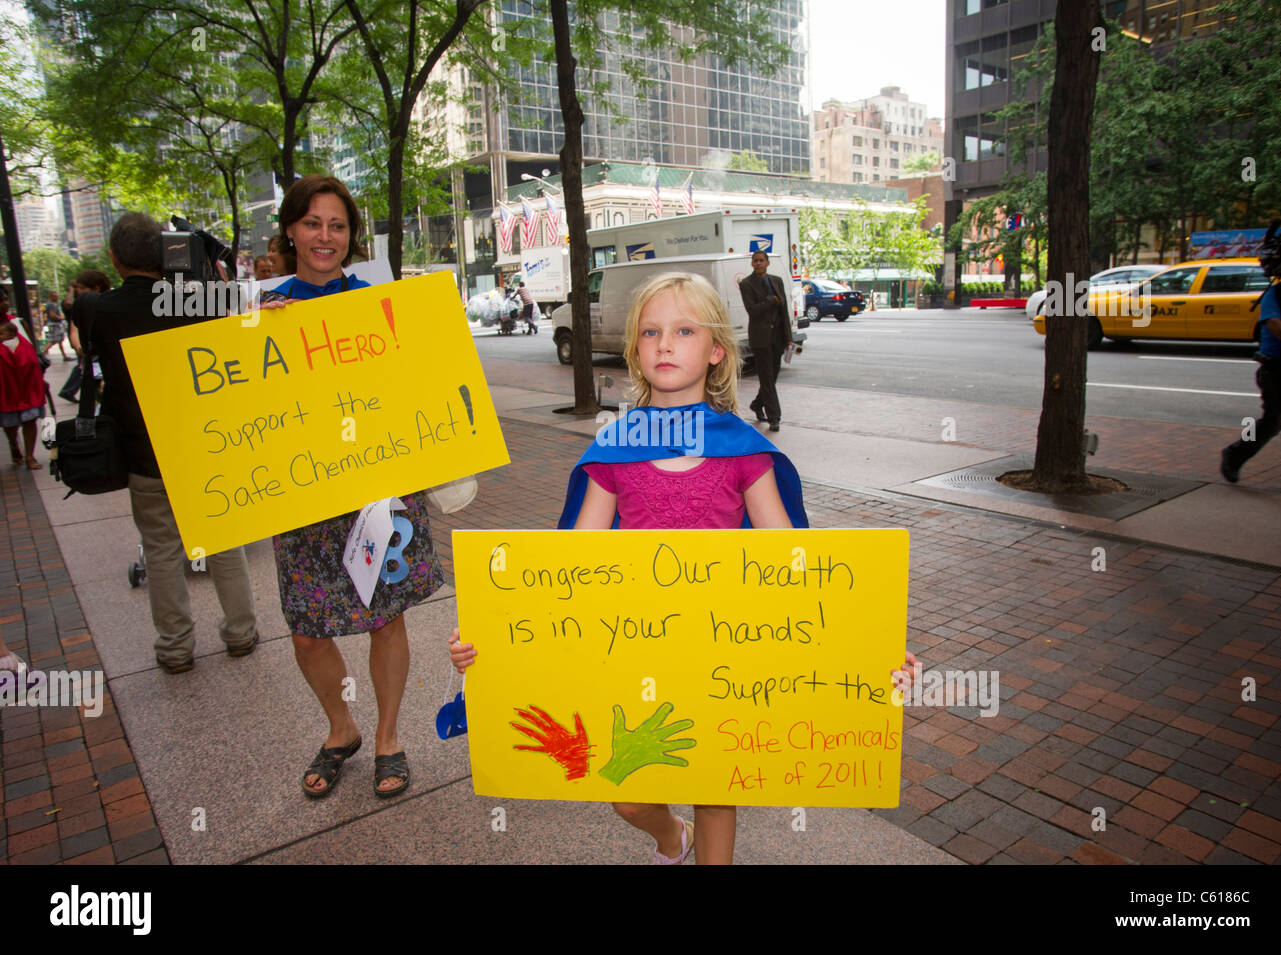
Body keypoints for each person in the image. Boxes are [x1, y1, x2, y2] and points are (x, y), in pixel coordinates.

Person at [449, 272, 918, 864]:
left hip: (725, 657)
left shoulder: (744, 449)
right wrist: (489, 638)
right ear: (636, 351)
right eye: (651, 332)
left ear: (716, 350)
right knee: (628, 799)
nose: (665, 344)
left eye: (684, 330)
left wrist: (865, 648)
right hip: (634, 652)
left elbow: (797, 569)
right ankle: (671, 838)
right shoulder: (615, 447)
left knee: (716, 789)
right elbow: (563, 571)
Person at [260, 174, 445, 800]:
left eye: (337, 226)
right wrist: (256, 337)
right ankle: (342, 731)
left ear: (351, 238)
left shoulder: (376, 307)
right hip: (304, 495)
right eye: (312, 223)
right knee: (308, 628)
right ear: (290, 229)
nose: (325, 236)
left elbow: (418, 387)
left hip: (375, 489)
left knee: (383, 618)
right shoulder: (255, 316)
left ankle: (389, 736)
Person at [77, 213, 259, 674]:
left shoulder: (98, 310)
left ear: (115, 259)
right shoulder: (196, 299)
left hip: (143, 455)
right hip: (204, 447)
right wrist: (207, 270)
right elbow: (239, 304)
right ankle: (241, 633)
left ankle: (175, 648)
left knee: (160, 551)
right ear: (166, 254)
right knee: (224, 543)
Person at [1221, 280, 1281, 490]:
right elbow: (1272, 322)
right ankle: (1235, 453)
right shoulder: (1279, 292)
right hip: (1280, 369)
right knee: (1274, 421)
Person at [739, 251, 793, 432]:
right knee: (767, 378)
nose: (758, 263)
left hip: (777, 337)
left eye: (762, 260)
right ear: (752, 264)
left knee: (773, 376)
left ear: (768, 263)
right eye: (755, 261)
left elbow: (783, 311)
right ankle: (774, 417)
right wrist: (770, 301)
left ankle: (757, 404)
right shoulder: (746, 284)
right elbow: (752, 310)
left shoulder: (776, 281)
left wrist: (789, 338)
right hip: (760, 338)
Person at [0, 293, 46, 469]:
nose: (4, 303)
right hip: (5, 386)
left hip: (27, 382)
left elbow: (32, 349)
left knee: (30, 420)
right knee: (9, 423)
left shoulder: (18, 323)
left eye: (5, 299)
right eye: (0, 301)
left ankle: (29, 456)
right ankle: (14, 445)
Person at [60, 270, 113, 403]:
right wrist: (79, 347)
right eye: (77, 288)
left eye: (82, 288)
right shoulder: (81, 306)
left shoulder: (111, 303)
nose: (78, 291)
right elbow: (74, 330)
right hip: (94, 359)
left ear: (96, 287)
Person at [42, 291, 73, 361]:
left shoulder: (51, 304)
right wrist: (61, 318)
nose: (57, 298)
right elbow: (52, 315)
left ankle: (64, 356)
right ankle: (41, 354)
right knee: (53, 341)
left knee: (59, 340)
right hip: (54, 324)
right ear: (51, 296)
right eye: (55, 296)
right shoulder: (51, 305)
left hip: (54, 324)